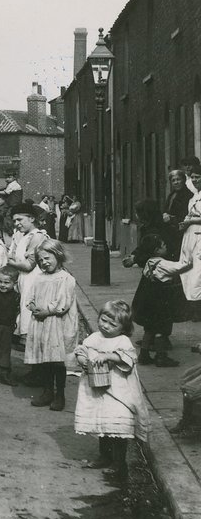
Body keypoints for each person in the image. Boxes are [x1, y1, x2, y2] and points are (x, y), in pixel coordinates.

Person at [75, 301, 150, 482]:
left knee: (117, 425)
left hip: (118, 390)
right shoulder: (94, 337)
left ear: (123, 327)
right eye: (103, 320)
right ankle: (104, 456)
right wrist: (82, 358)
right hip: (97, 387)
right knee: (104, 424)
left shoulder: (122, 341)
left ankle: (119, 462)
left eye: (112, 324)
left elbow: (128, 359)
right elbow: (81, 348)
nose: (105, 326)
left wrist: (108, 355)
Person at [25, 239, 78, 412]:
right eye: (41, 260)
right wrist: (32, 306)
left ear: (58, 255)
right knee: (45, 360)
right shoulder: (39, 278)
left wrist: (47, 311)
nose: (44, 263)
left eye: (47, 258)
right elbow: (30, 297)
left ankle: (60, 393)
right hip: (41, 324)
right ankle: (47, 391)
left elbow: (63, 303)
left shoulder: (66, 278)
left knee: (57, 361)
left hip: (56, 323)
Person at [131, 235, 183, 367]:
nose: (166, 246)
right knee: (161, 330)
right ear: (157, 250)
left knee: (149, 329)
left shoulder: (149, 262)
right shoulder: (162, 264)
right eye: (163, 245)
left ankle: (144, 354)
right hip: (158, 305)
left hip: (146, 303)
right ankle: (161, 357)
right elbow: (179, 268)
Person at [7, 203, 48, 346]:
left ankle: (30, 339)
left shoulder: (37, 236)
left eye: (20, 220)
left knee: (29, 305)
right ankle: (24, 336)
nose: (17, 224)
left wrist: (7, 261)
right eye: (14, 221)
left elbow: (28, 265)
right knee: (23, 304)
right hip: (23, 278)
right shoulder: (23, 236)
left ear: (31, 218)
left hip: (33, 279)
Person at [179, 165, 201, 321]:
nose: (194, 180)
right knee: (187, 272)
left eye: (197, 177)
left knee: (198, 275)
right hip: (190, 237)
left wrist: (191, 220)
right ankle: (193, 310)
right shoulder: (194, 196)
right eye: (192, 177)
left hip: (199, 236)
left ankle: (197, 312)